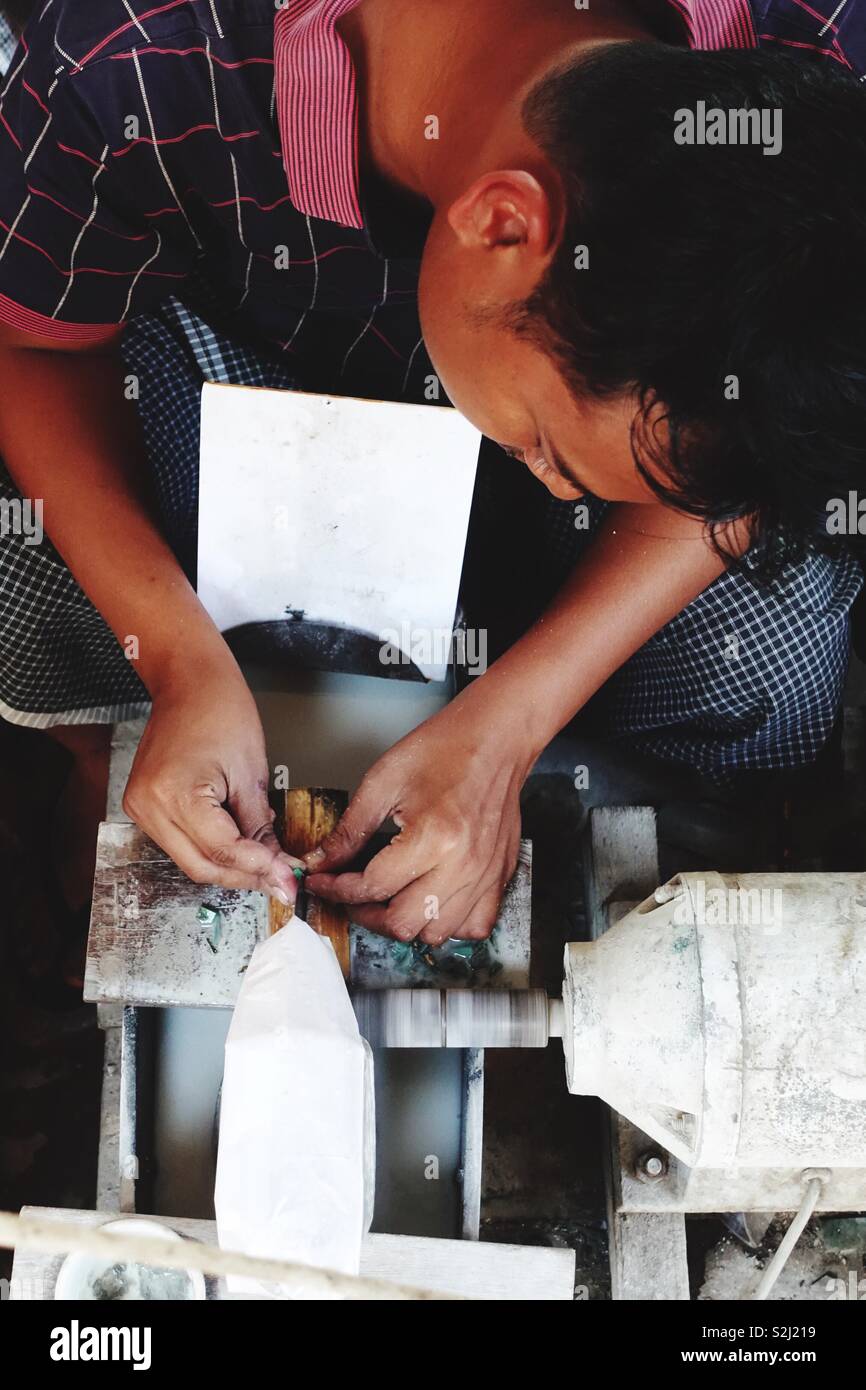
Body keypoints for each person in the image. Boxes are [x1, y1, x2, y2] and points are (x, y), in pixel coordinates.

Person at [0, 0, 863, 952]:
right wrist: (172, 656)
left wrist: (511, 724)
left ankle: (619, 864)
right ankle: (105, 756)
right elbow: (38, 351)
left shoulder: (807, 51)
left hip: (499, 407)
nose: (562, 493)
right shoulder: (133, 56)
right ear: (503, 225)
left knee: (774, 638)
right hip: (249, 377)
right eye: (546, 447)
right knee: (25, 527)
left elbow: (767, 455)